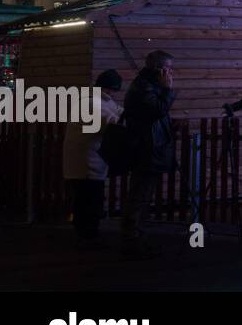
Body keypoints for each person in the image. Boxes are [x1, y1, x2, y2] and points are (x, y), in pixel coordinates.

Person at [121, 50, 176, 259]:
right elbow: (158, 110)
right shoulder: (146, 87)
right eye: (169, 68)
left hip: (149, 147)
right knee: (140, 196)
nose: (171, 73)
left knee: (142, 196)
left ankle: (137, 238)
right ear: (159, 69)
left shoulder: (145, 85)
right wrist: (167, 90)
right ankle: (132, 240)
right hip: (147, 149)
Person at [61, 69, 123, 249]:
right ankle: (87, 235)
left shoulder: (98, 101)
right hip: (86, 162)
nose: (113, 93)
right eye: (113, 90)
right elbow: (112, 122)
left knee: (87, 200)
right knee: (88, 201)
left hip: (87, 161)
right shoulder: (92, 104)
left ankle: (87, 234)